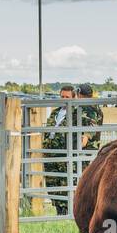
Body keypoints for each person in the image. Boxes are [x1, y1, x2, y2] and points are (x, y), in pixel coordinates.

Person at [42, 84, 76, 215]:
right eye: (62, 96)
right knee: (52, 183)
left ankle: (68, 213)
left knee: (65, 183)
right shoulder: (55, 112)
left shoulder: (76, 113)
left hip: (65, 154)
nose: (63, 99)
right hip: (50, 154)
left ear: (73, 97)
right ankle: (58, 210)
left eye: (67, 97)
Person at [77, 83, 103, 151]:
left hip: (86, 148)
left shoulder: (87, 107)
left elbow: (89, 131)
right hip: (94, 146)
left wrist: (81, 144)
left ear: (79, 94)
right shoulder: (95, 106)